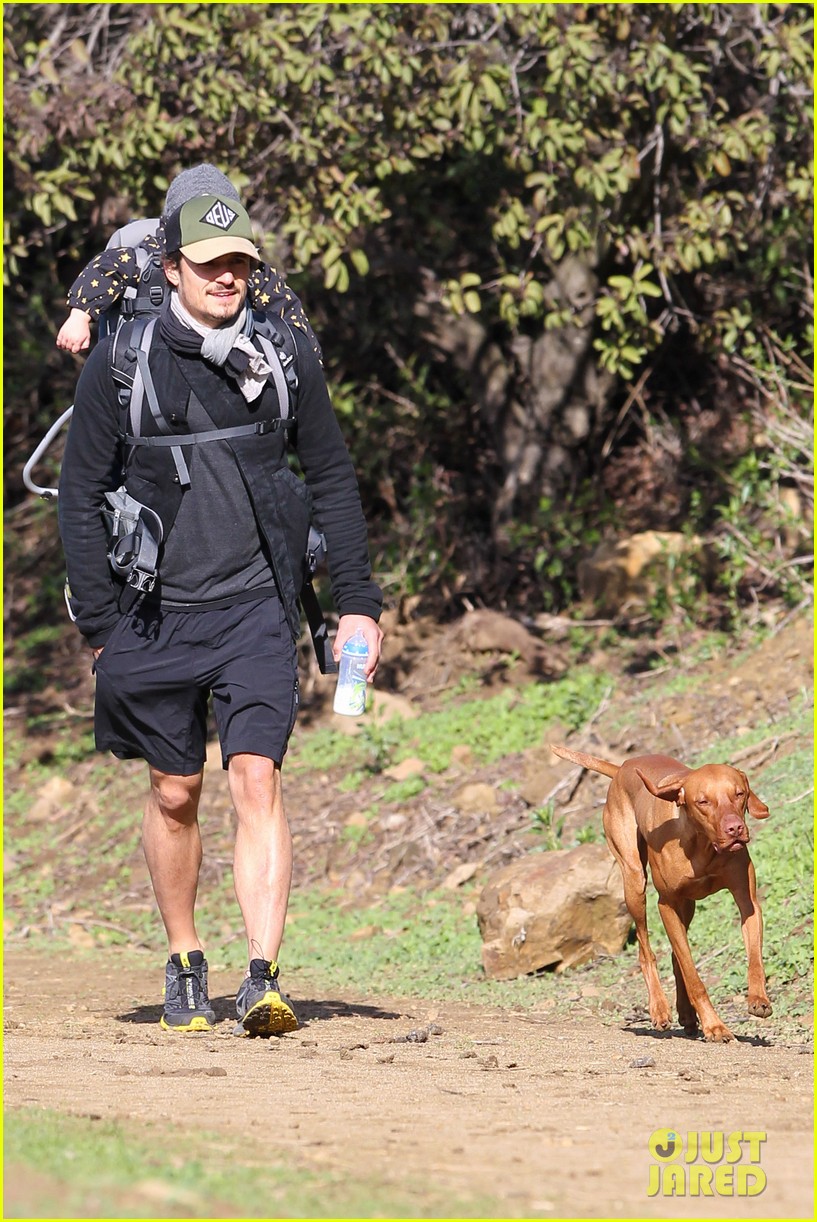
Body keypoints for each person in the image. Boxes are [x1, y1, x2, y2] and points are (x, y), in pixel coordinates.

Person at [58, 185, 383, 1037]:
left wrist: (358, 606)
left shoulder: (284, 354)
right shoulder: (120, 363)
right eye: (208, 265)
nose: (225, 278)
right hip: (153, 615)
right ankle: (184, 959)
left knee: (256, 778)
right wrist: (100, 628)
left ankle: (263, 976)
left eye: (238, 263)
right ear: (171, 270)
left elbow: (333, 479)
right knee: (173, 793)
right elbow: (81, 493)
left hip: (257, 607)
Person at [56, 162, 322, 362]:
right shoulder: (145, 256)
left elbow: (288, 310)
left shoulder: (252, 269)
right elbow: (104, 268)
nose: (226, 274)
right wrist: (79, 316)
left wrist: (309, 363)